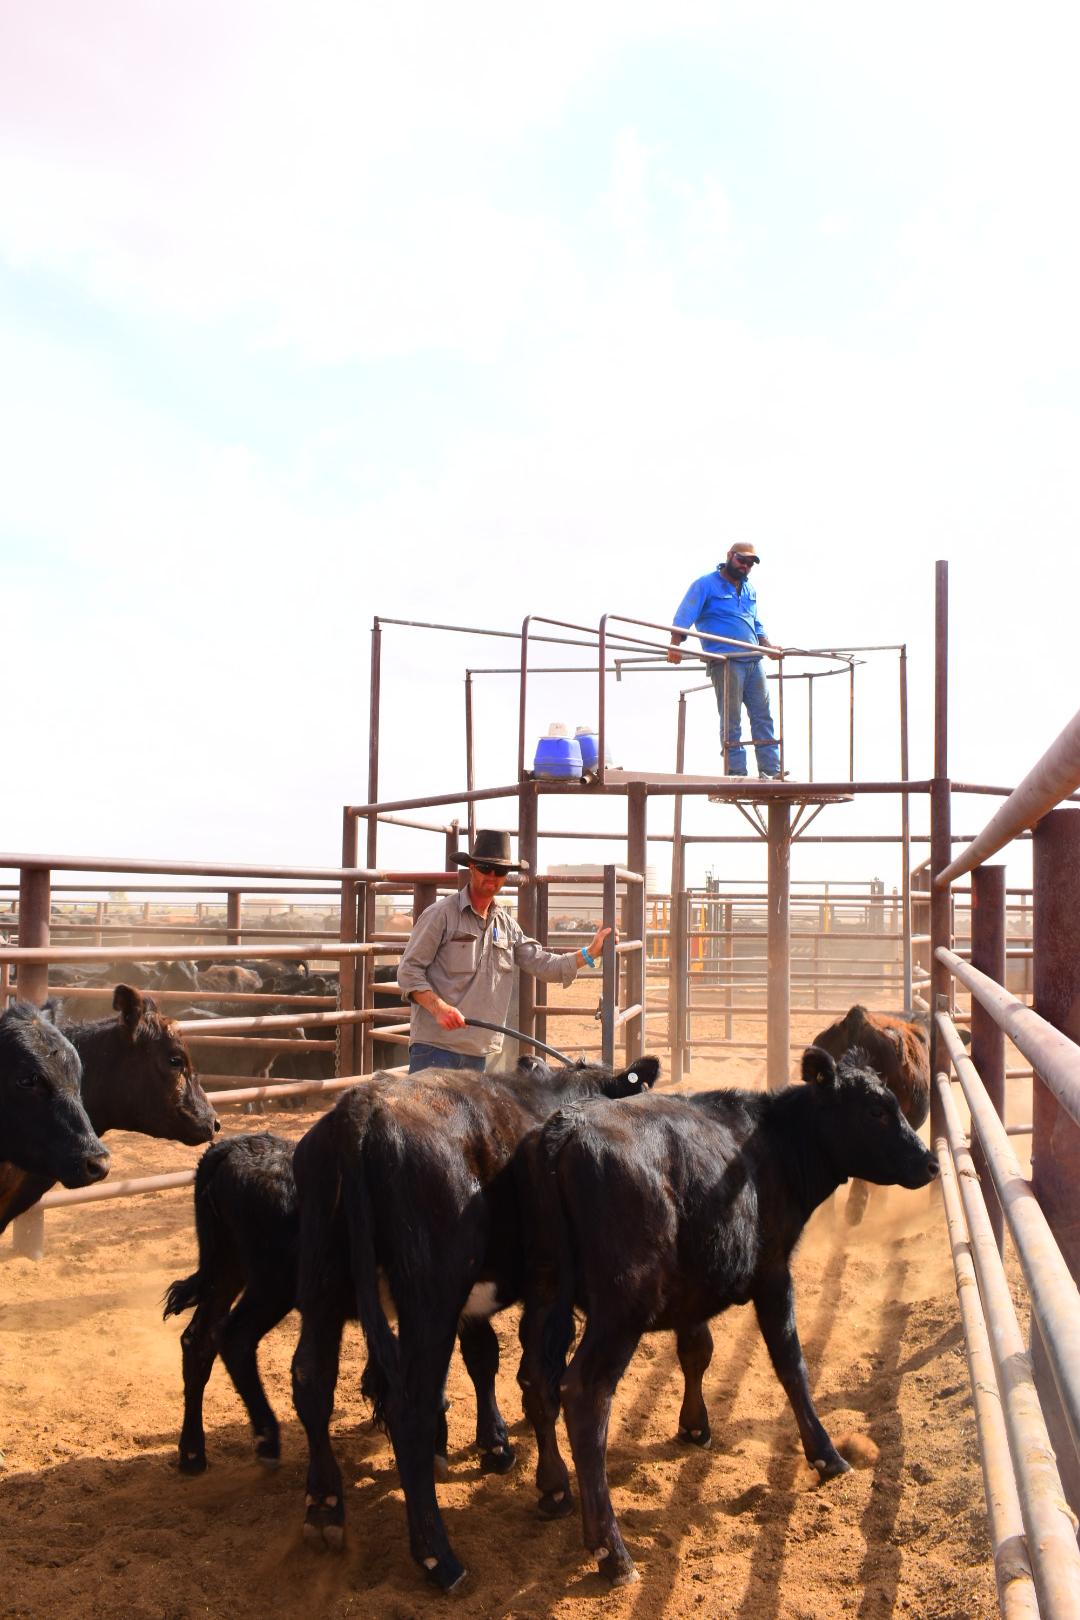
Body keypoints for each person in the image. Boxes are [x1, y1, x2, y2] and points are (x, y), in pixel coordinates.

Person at [396, 829, 614, 1074]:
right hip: (436, 1049)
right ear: (471, 867)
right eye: (485, 867)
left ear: (506, 875)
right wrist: (439, 1009)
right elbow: (408, 971)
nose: (492, 875)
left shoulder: (506, 926)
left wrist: (590, 953)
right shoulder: (440, 915)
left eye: (499, 870)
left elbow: (543, 964)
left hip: (478, 1054)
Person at [667, 542, 783, 779]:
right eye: (742, 560)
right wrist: (675, 644)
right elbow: (685, 613)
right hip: (726, 660)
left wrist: (768, 647)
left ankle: (772, 771)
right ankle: (736, 772)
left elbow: (754, 622)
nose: (745, 566)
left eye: (750, 563)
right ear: (729, 556)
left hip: (752, 658)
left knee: (763, 716)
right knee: (732, 719)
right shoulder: (706, 584)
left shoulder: (749, 589)